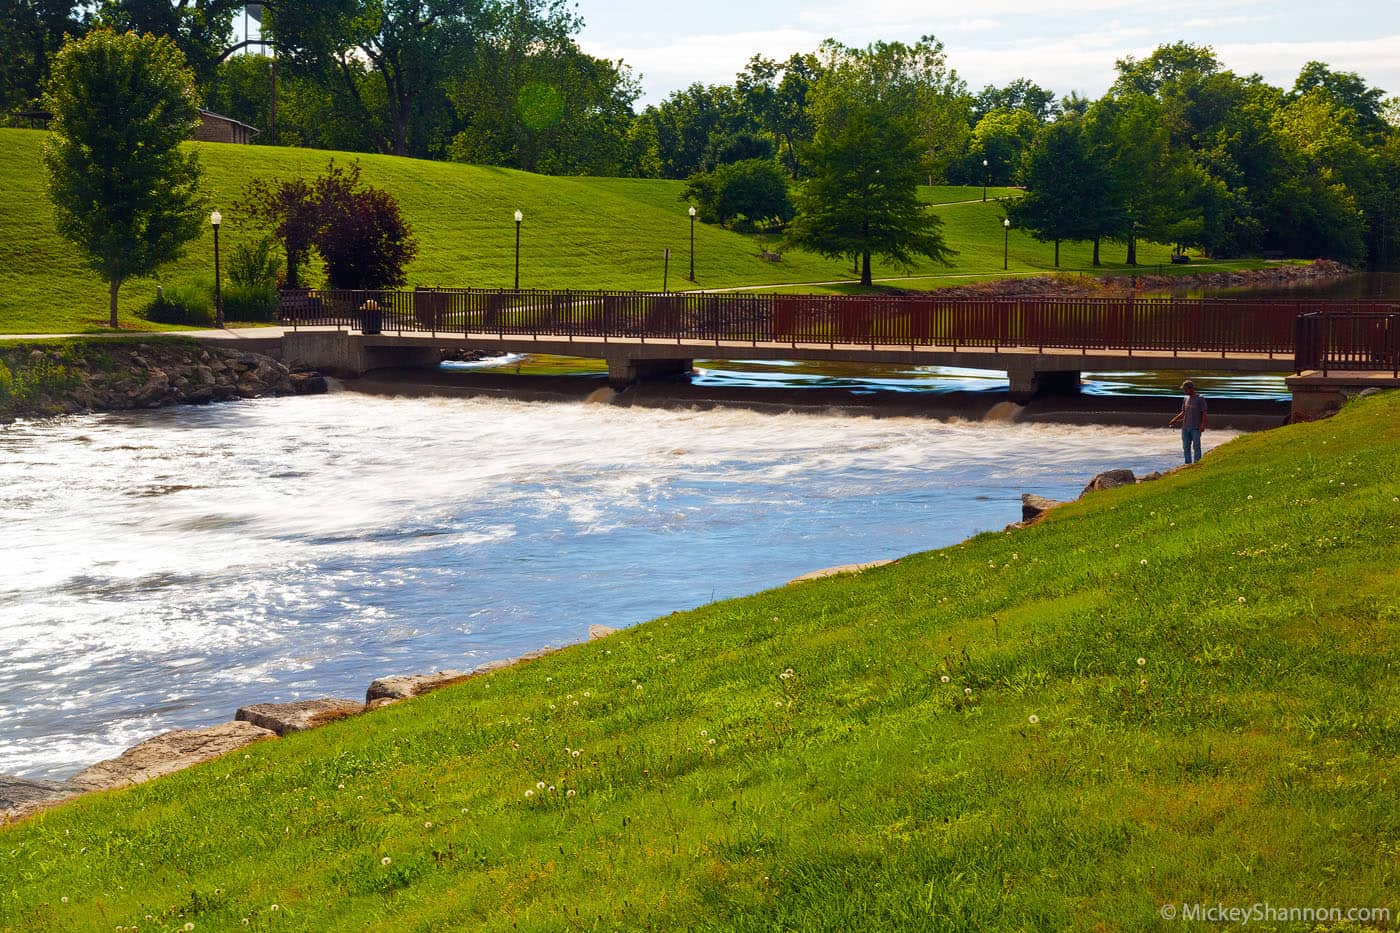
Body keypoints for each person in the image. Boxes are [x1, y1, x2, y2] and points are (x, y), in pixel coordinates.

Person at [1168, 380, 1207, 464]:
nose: (1184, 391)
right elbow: (1183, 412)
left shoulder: (1200, 398)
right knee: (1186, 447)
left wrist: (1203, 425)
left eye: (1185, 389)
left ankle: (1197, 463)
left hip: (1196, 427)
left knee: (1196, 446)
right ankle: (1187, 463)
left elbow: (1204, 413)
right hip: (1185, 427)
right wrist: (1174, 419)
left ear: (1191, 388)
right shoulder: (1185, 398)